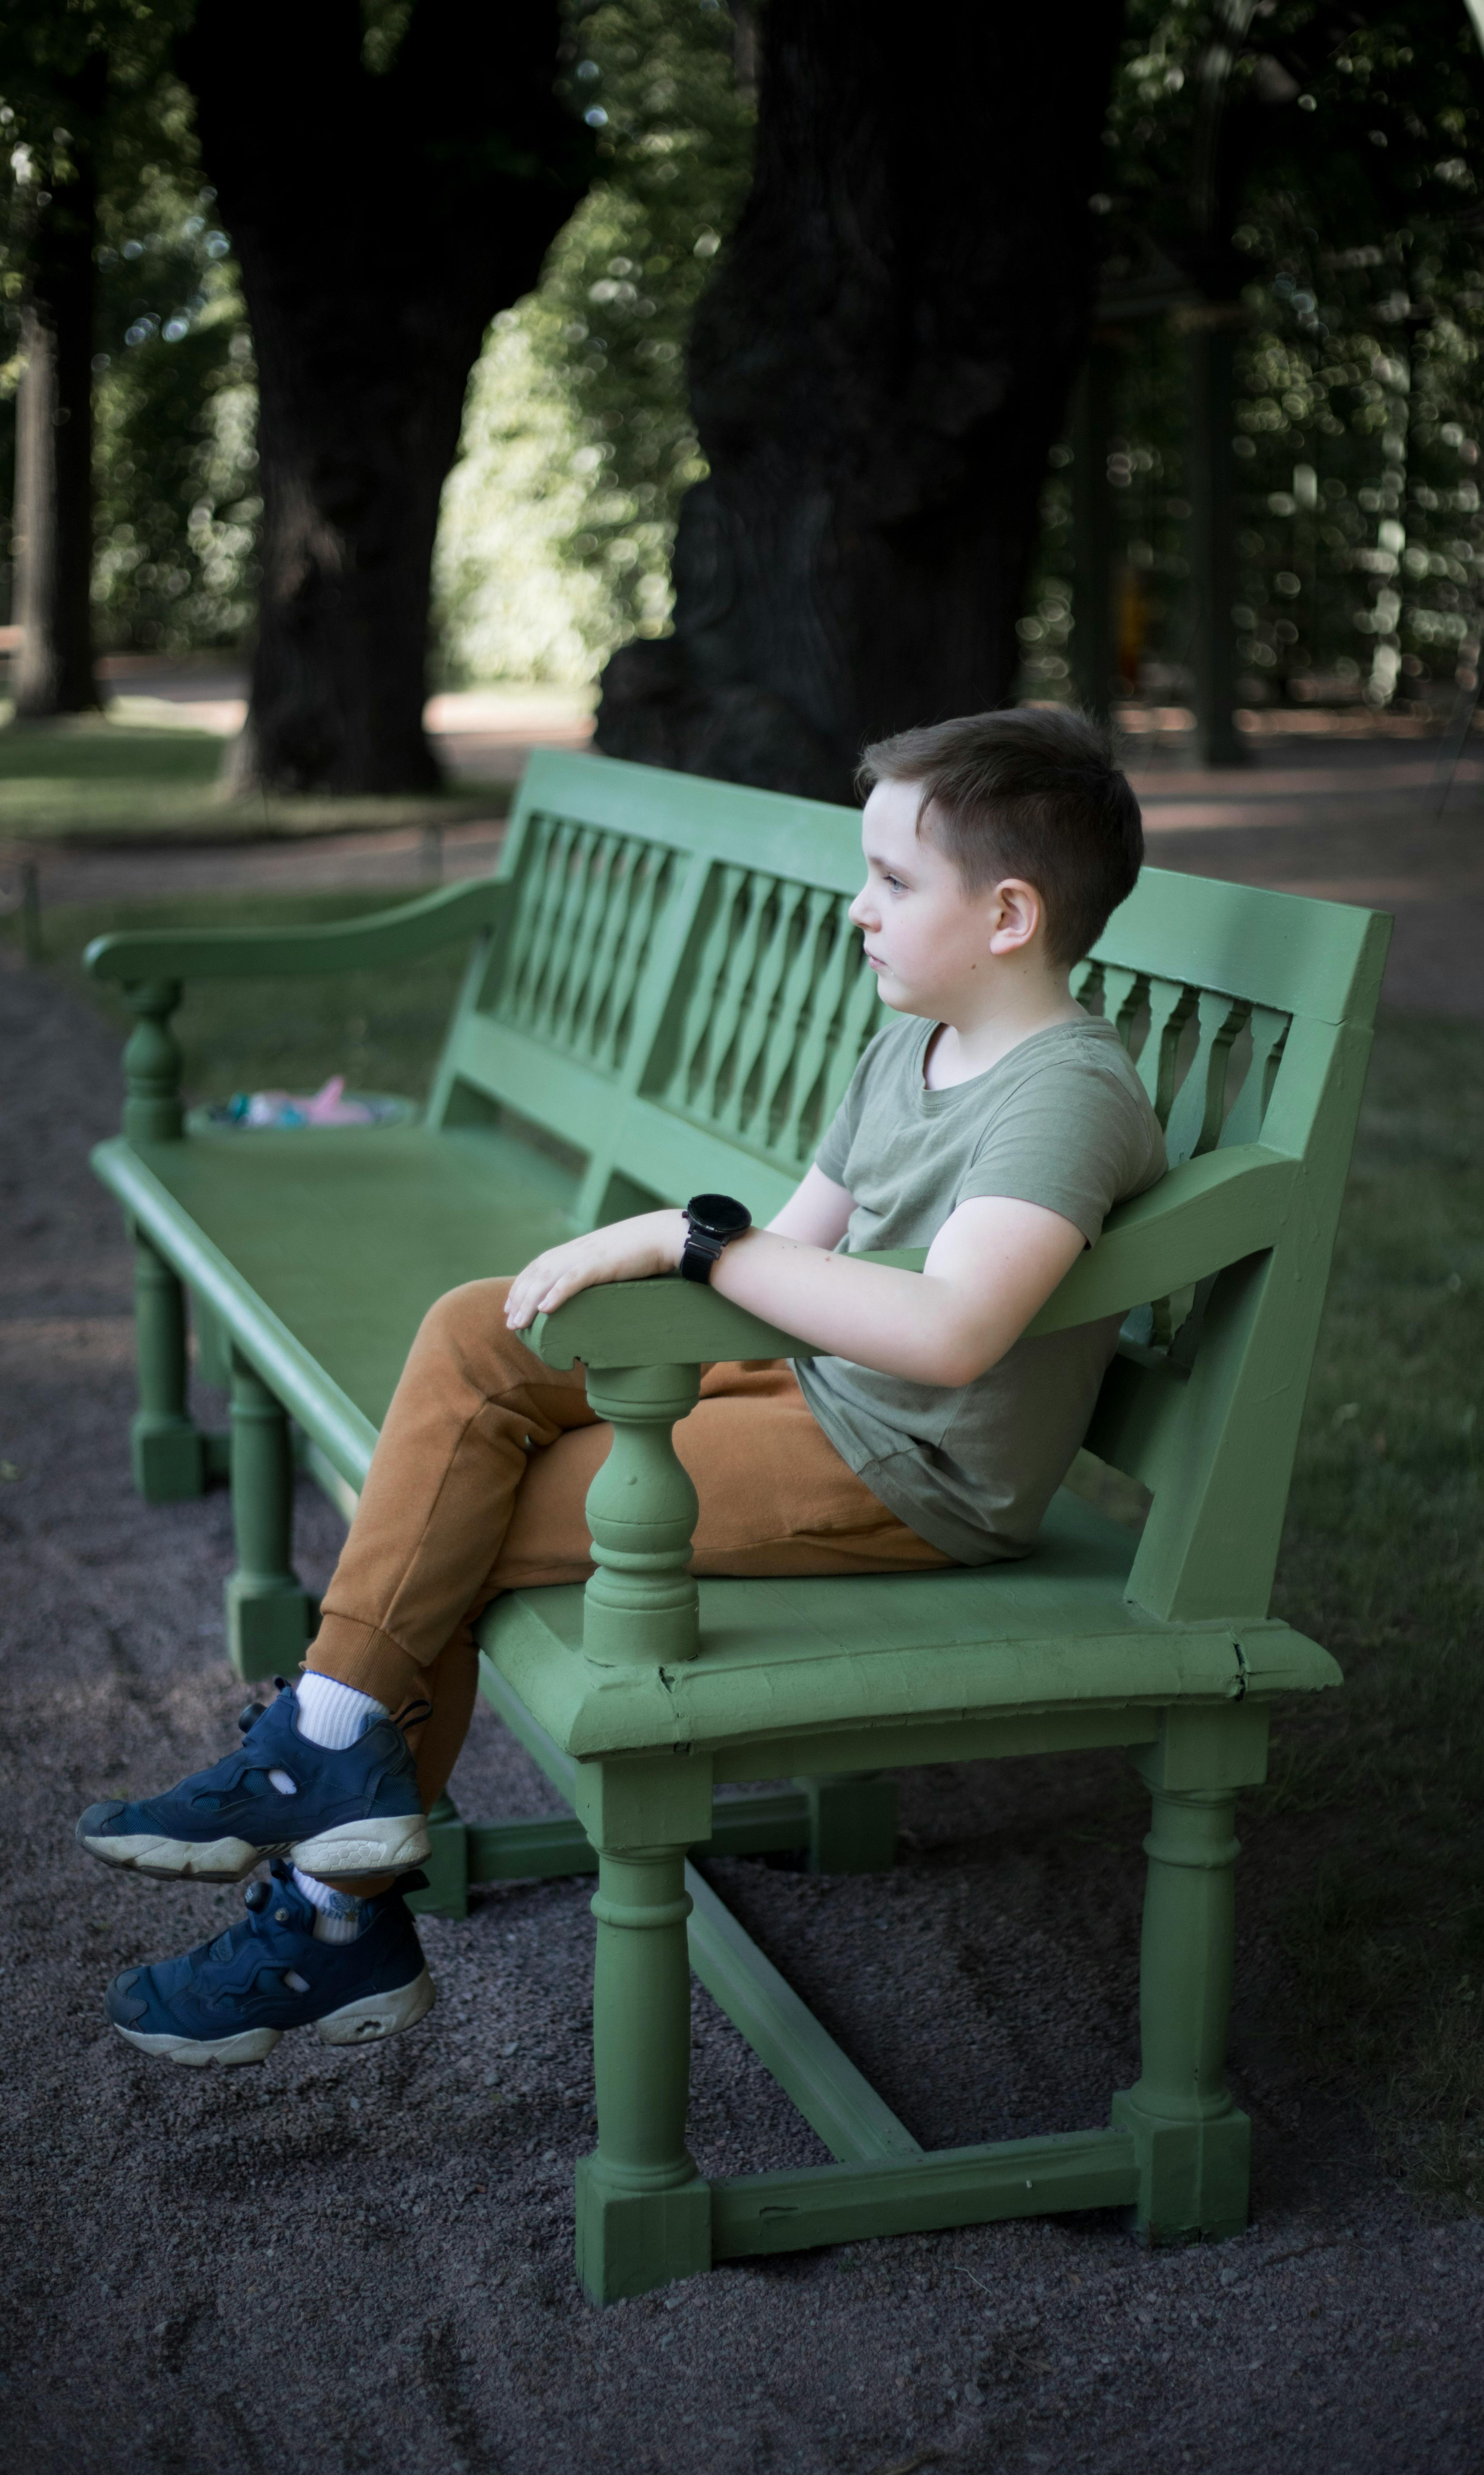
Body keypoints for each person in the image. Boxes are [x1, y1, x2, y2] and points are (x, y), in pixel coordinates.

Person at [78, 705, 1168, 2067]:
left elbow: (950, 1332)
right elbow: (805, 1246)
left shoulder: (1064, 1093)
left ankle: (329, 1907)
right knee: (480, 1328)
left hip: (913, 1473)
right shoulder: (917, 1039)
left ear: (1010, 915)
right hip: (814, 1399)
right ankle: (332, 1743)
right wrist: (668, 1263)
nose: (858, 910)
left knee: (452, 1530)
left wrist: (685, 1240)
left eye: (893, 882)